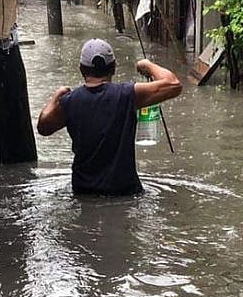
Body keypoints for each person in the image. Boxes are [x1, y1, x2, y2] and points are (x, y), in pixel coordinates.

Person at [37, 38, 182, 196]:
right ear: (113, 68)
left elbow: (43, 127)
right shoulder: (128, 94)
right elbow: (173, 84)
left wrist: (56, 96)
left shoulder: (69, 102)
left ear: (81, 70)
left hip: (83, 192)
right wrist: (148, 65)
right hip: (124, 191)